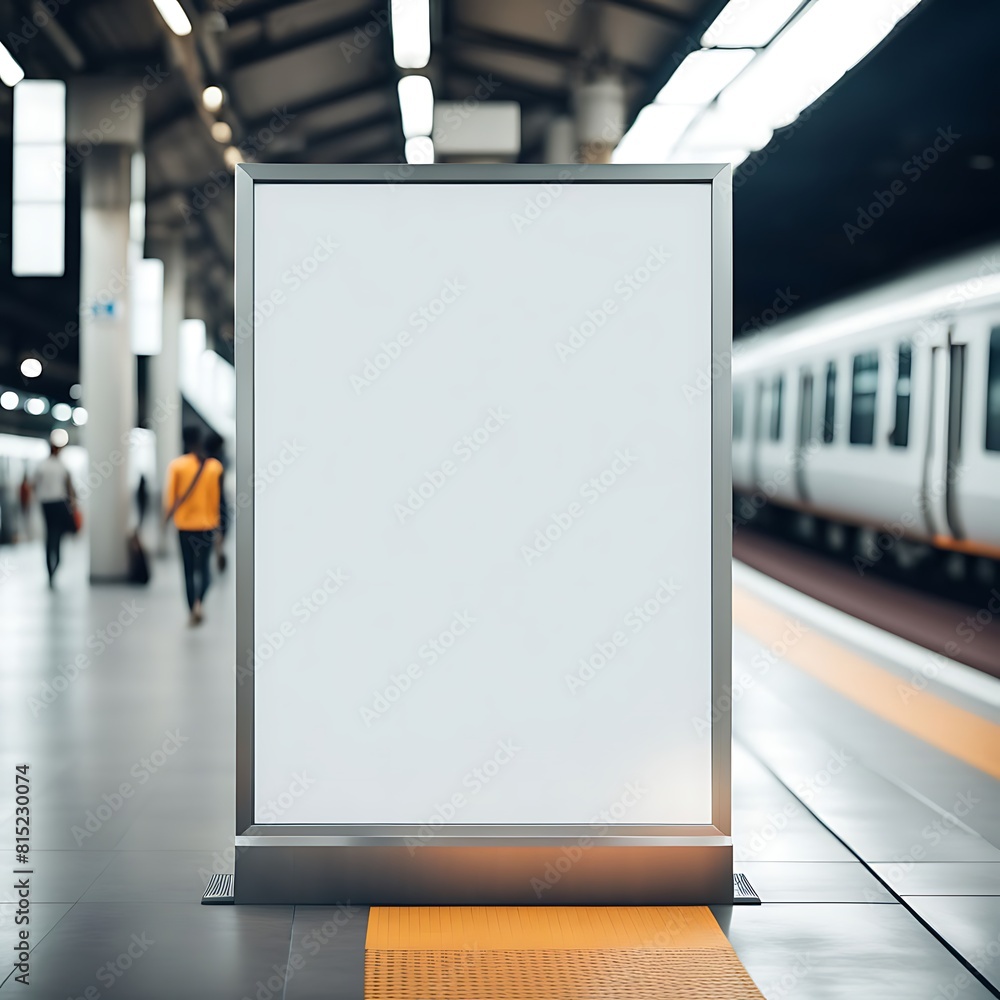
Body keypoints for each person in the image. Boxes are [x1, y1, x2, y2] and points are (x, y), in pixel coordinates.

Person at [164, 426, 223, 625]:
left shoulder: (177, 466)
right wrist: (219, 527)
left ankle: (191, 609)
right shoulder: (214, 467)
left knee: (188, 570)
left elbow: (172, 498)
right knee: (205, 569)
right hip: (207, 526)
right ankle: (200, 603)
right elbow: (216, 500)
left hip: (184, 526)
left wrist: (165, 519)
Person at [34, 436, 76, 587]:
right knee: (56, 534)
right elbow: (70, 488)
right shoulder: (61, 466)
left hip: (45, 504)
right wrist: (73, 504)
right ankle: (56, 563)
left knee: (50, 534)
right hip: (58, 503)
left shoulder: (42, 466)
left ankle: (50, 568)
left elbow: (34, 485)